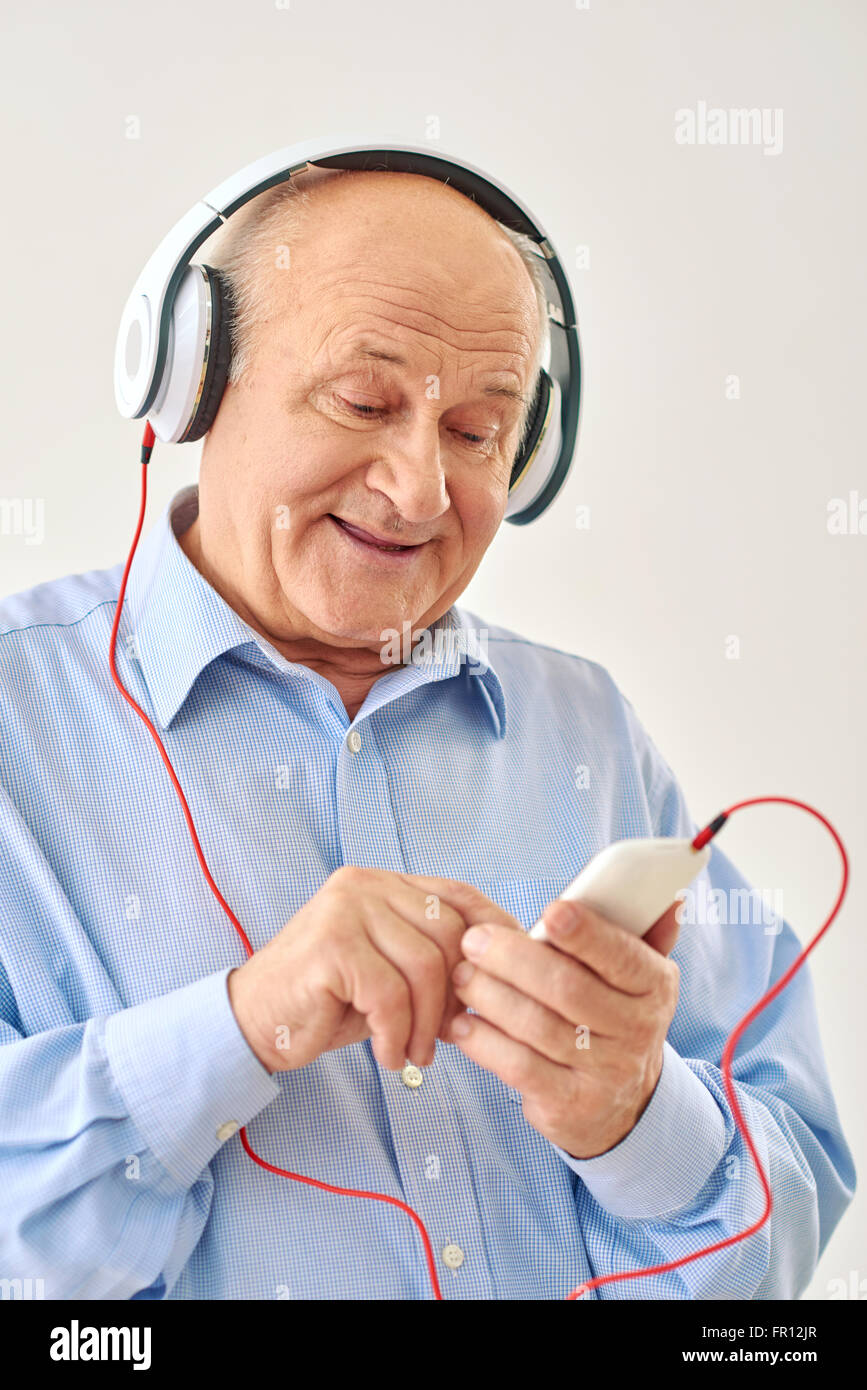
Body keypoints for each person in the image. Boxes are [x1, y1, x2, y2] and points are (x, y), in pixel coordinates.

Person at [0, 165, 854, 1299]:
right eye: (362, 400)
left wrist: (634, 1117)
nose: (418, 490)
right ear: (194, 385)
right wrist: (241, 1029)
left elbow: (786, 1226)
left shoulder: (586, 727)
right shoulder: (20, 720)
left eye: (477, 430)